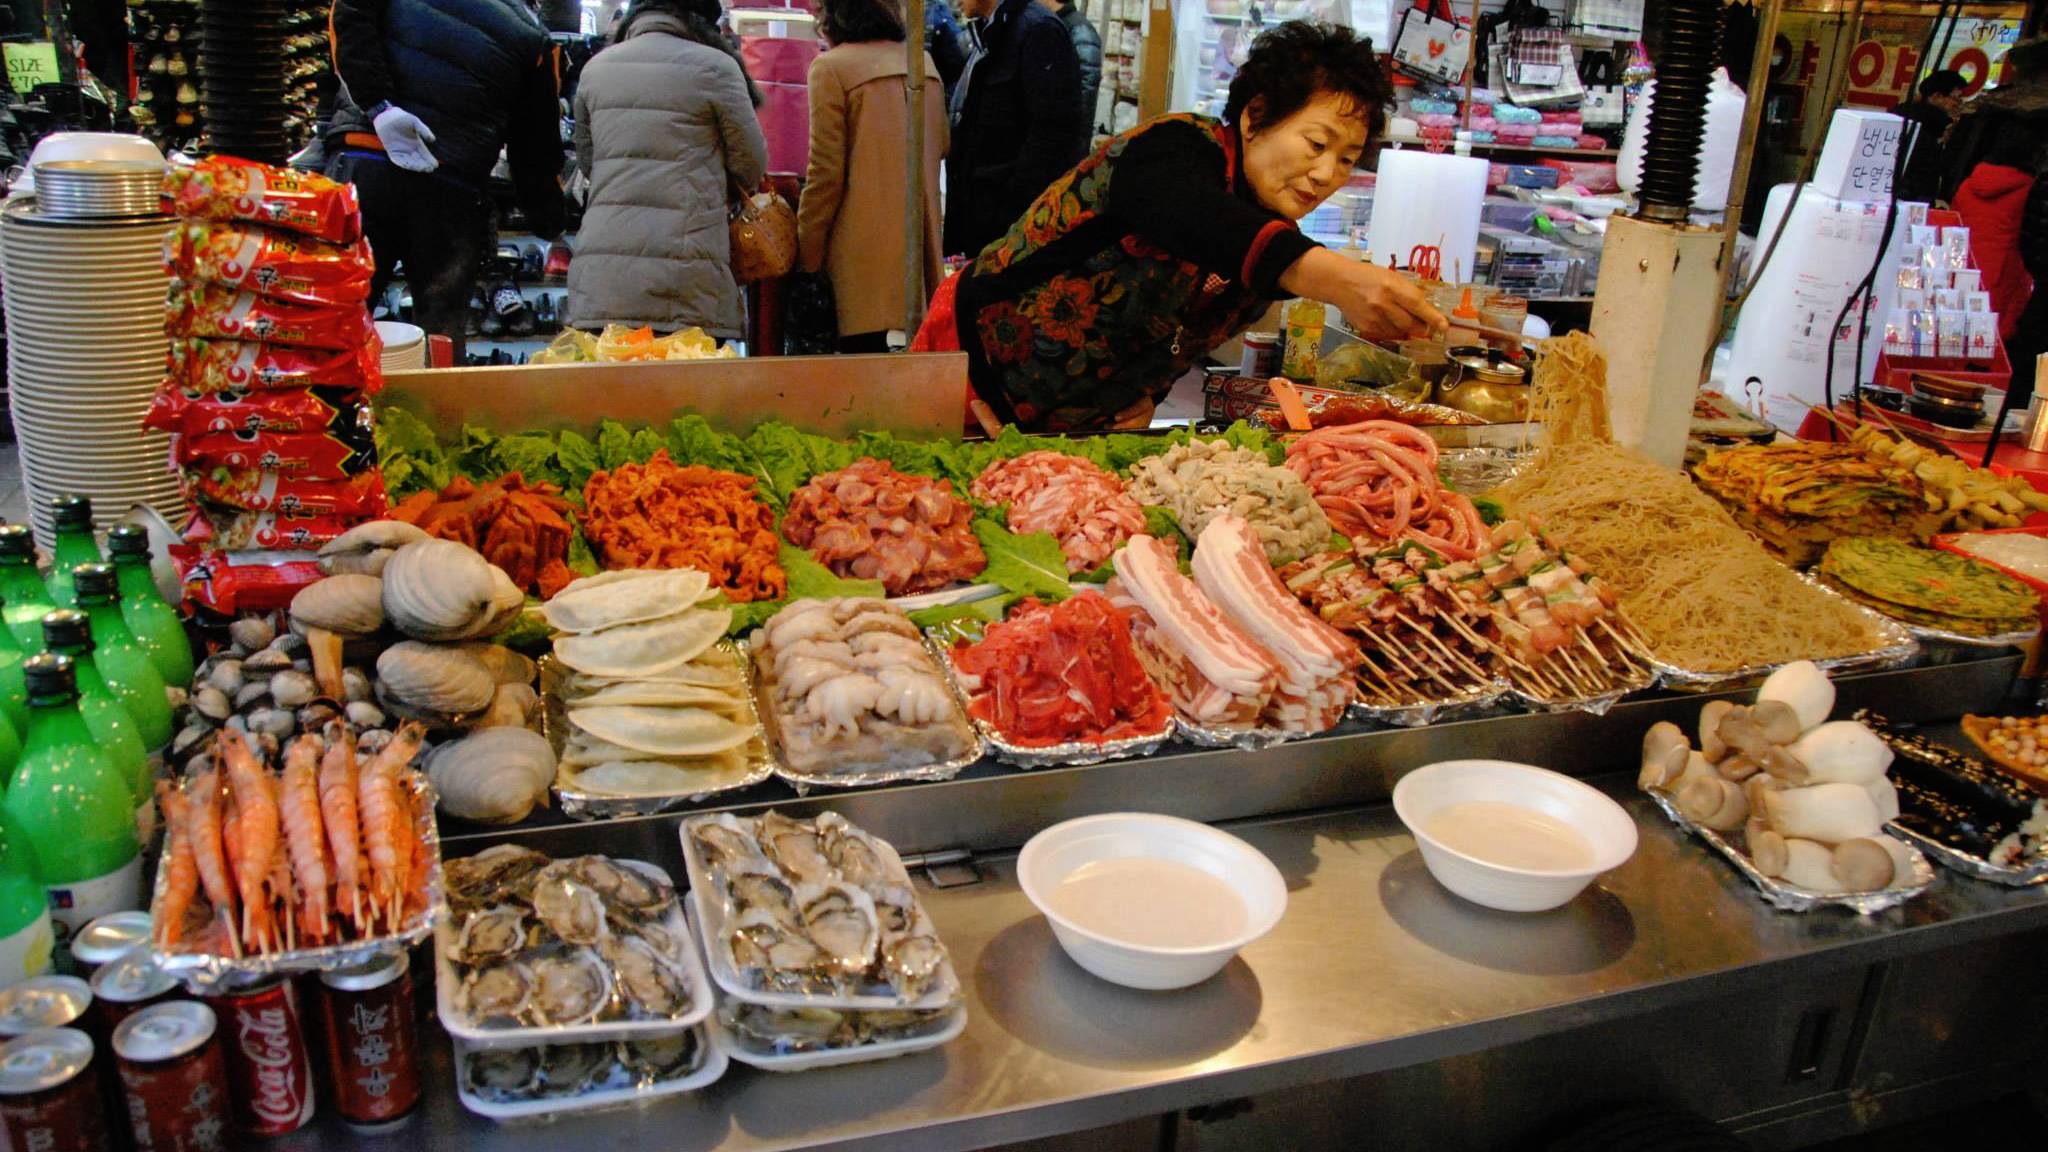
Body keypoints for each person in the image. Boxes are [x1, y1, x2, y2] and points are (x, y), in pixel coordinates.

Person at [915, 21, 1443, 431]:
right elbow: (1190, 214)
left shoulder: (1268, 233)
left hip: (1074, 424)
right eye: (1316, 144)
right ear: (1256, 116)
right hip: (967, 373)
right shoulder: (1175, 148)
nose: (1327, 174)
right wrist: (1341, 280)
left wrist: (1145, 397)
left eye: (1348, 159)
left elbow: (1179, 337)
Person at [329, 0, 567, 356]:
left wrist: (378, 106)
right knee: (441, 330)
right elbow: (534, 147)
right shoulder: (531, 35)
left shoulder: (533, 38)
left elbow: (348, 20)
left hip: (366, 164)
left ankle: (328, 403)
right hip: (452, 185)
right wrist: (549, 217)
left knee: (336, 312)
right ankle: (436, 407)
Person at [567, 0, 768, 339]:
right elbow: (750, 165)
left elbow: (589, 161)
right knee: (689, 391)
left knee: (612, 389)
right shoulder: (716, 68)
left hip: (604, 280)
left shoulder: (596, 69)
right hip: (688, 276)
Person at [798, 0, 949, 353]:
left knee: (857, 382)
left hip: (859, 264)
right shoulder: (924, 65)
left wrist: (807, 255)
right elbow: (942, 144)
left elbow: (825, 174)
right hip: (920, 259)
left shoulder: (831, 69)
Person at [944, 0, 1088, 260]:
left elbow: (1053, 137)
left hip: (1010, 230)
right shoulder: (991, 33)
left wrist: (1013, 217)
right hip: (984, 222)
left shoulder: (1037, 30)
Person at [1893, 69, 1966, 204]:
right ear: (1937, 96)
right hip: (1911, 198)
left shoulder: (1903, 116)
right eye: (1955, 98)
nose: (1957, 104)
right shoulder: (1926, 126)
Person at [1041, 0, 1101, 136]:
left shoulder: (1079, 29)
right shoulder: (1049, 23)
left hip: (1066, 135)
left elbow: (1086, 90)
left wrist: (1077, 140)